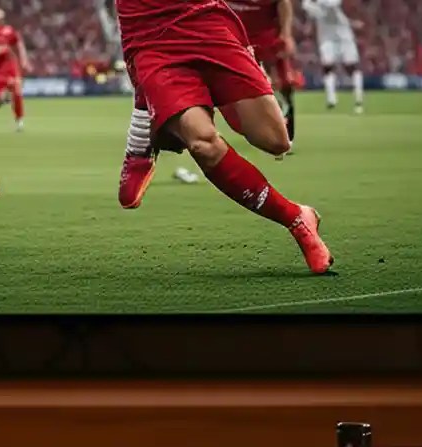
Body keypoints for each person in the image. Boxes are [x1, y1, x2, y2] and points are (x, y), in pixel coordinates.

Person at [114, 0, 333, 274]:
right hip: (152, 35)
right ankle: (297, 219)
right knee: (203, 143)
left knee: (275, 140)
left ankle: (162, 110)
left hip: (204, 19)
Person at [227, 0, 299, 141]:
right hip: (236, 37)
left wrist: (286, 34)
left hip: (268, 37)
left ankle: (286, 129)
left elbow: (284, 3)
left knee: (283, 83)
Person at [302, 0, 364, 114]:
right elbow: (311, 14)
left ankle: (358, 99)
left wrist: (351, 23)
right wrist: (309, 25)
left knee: (351, 66)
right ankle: (331, 99)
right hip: (326, 38)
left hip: (343, 36)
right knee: (327, 66)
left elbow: (334, 8)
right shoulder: (308, 4)